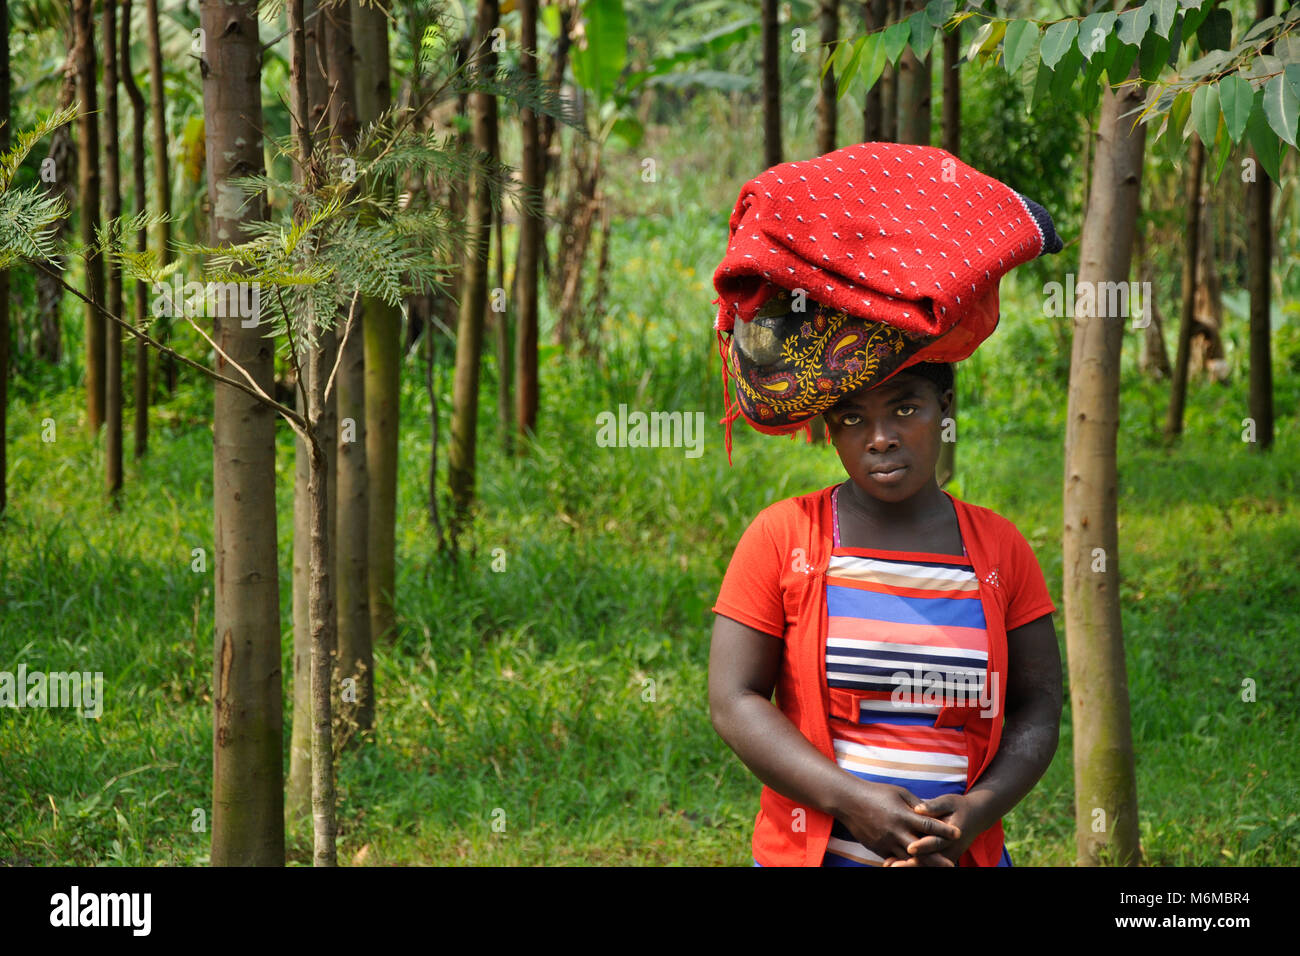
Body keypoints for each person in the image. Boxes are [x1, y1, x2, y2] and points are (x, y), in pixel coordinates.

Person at [705, 142, 1065, 866]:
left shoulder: (999, 550)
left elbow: (1037, 707)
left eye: (905, 409)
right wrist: (853, 804)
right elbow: (734, 700)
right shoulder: (783, 538)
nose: (880, 440)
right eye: (852, 420)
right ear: (826, 430)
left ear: (945, 408)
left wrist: (979, 810)